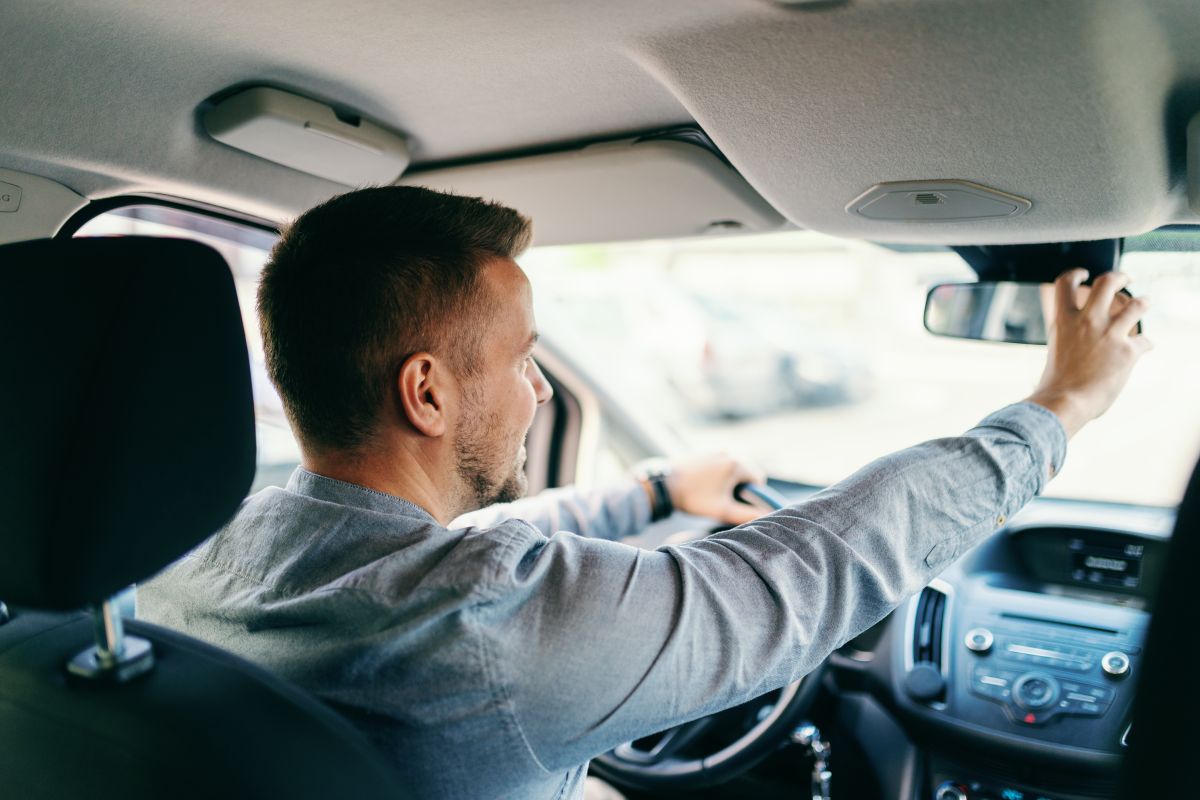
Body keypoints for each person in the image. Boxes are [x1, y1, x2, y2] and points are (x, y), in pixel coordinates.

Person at [140, 186, 1151, 800]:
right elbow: (808, 569)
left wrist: (658, 488)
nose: (540, 388)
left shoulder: (194, 552)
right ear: (429, 390)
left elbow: (469, 551)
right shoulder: (493, 624)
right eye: (523, 358)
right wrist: (1059, 405)